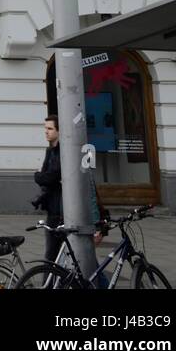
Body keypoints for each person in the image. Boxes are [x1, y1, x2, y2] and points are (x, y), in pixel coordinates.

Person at [33, 114, 106, 269]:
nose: (46, 132)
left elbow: (50, 176)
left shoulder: (68, 153)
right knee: (56, 255)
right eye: (45, 128)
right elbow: (45, 176)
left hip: (66, 211)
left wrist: (97, 224)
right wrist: (41, 177)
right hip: (54, 209)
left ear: (60, 131)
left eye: (50, 128)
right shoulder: (51, 151)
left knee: (73, 257)